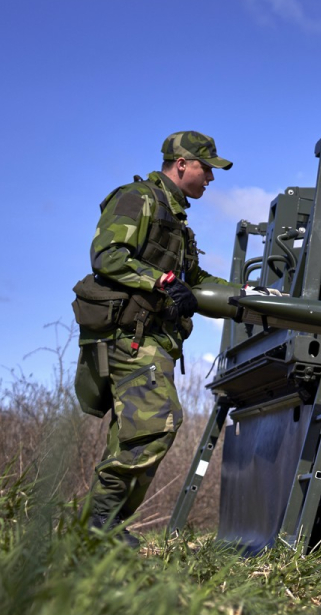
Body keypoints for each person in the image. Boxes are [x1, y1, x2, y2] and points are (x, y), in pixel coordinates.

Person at [71, 131, 238, 547]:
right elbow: (107, 255)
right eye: (206, 169)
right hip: (130, 335)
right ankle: (99, 529)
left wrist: (244, 294)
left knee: (145, 427)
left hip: (155, 339)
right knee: (155, 422)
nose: (210, 180)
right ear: (182, 163)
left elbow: (195, 280)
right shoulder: (138, 198)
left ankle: (99, 531)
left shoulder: (178, 221)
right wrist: (160, 281)